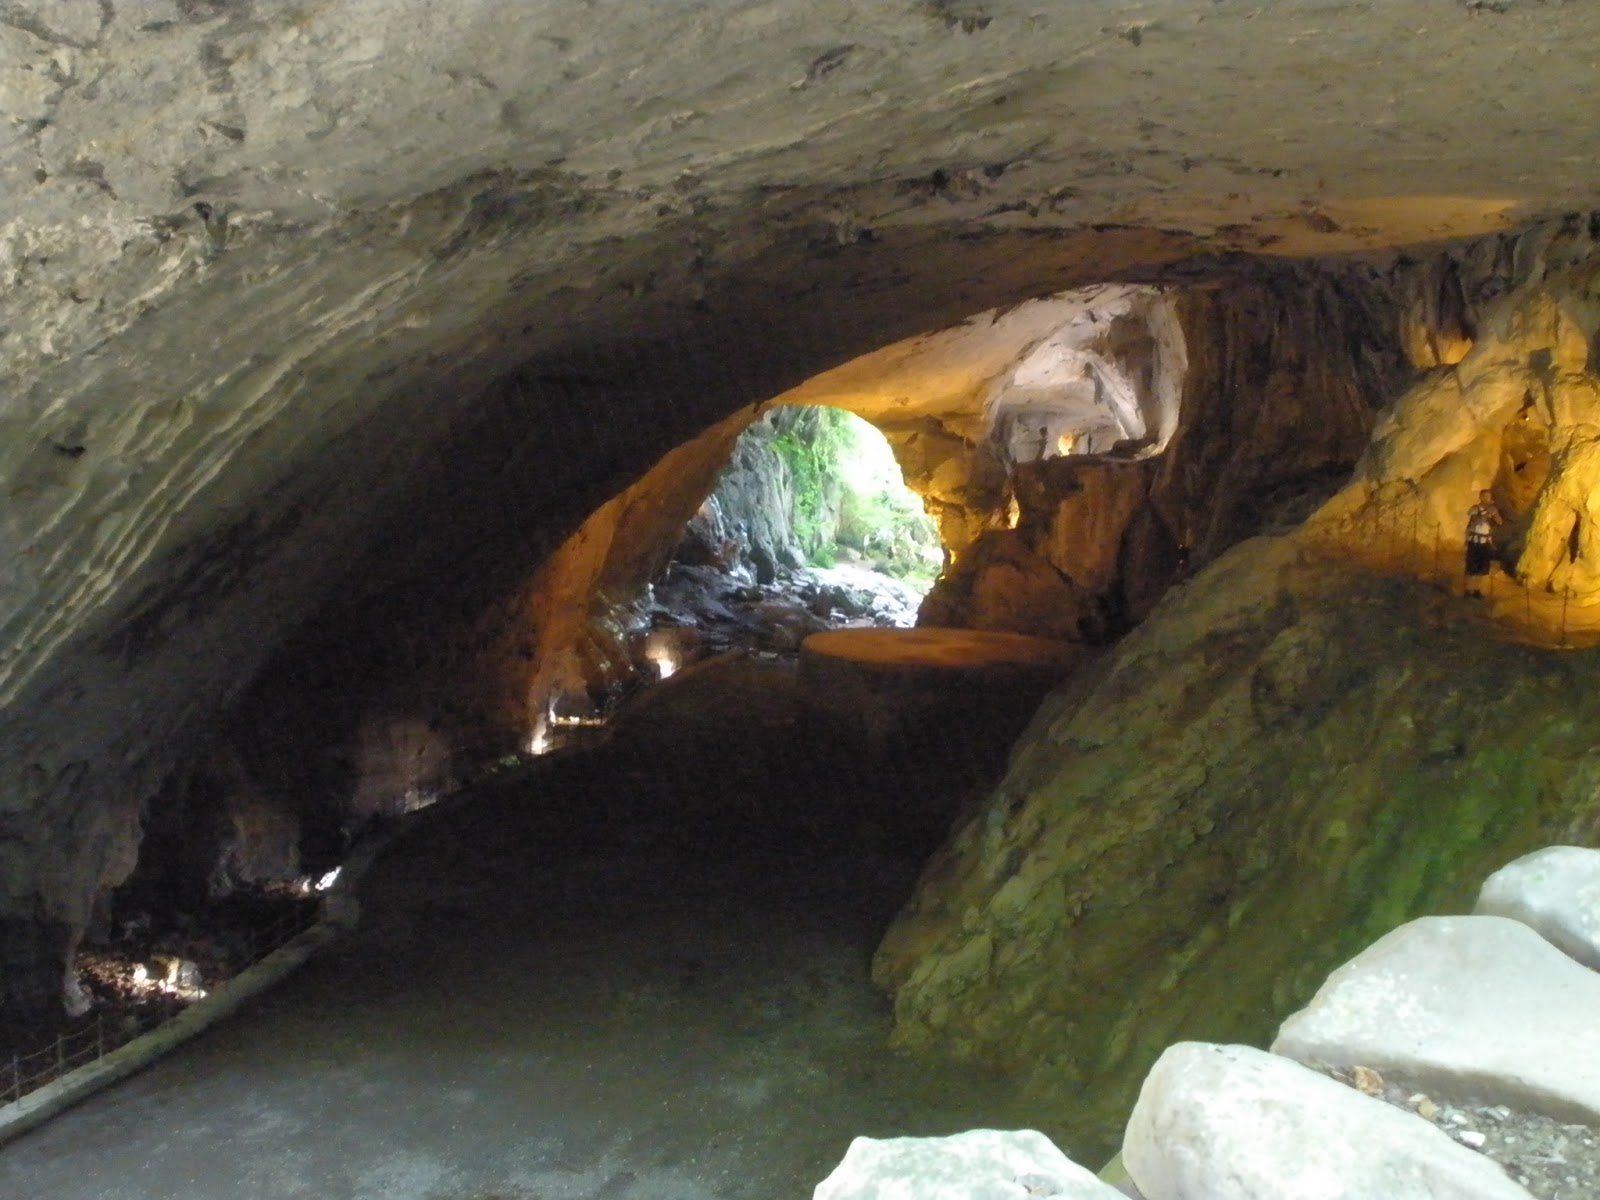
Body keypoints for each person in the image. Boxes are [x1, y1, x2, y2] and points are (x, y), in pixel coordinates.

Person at [1464, 489, 1502, 596]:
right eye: (1484, 496)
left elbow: (1499, 522)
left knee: (1482, 568)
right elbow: (1470, 514)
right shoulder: (1475, 508)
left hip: (1485, 541)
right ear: (1480, 497)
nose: (1486, 498)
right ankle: (1468, 589)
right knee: (1471, 566)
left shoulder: (1492, 509)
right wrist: (1483, 514)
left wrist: (1494, 513)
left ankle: (1477, 590)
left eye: (1488, 496)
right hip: (1474, 541)